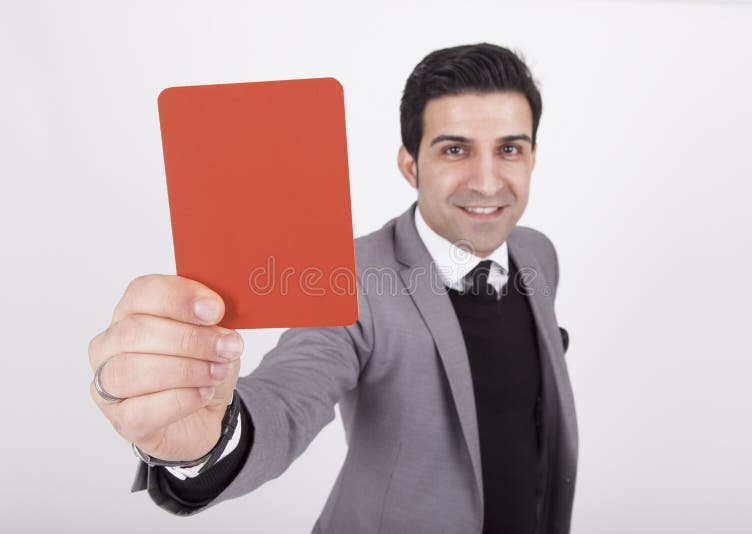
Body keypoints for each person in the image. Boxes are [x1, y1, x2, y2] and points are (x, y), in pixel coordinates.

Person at [88, 42, 578, 533]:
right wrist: (212, 439)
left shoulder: (538, 254)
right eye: (455, 149)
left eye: (509, 149)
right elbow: (290, 392)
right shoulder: (351, 276)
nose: (489, 183)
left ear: (533, 157)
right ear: (411, 165)